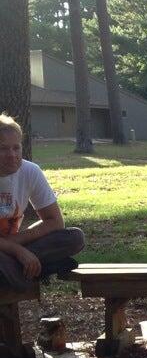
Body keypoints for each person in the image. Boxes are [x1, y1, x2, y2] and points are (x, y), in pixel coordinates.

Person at [0, 113, 84, 291]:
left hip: (11, 245)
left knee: (74, 237)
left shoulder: (30, 171)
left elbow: (55, 221)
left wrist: (14, 242)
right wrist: (19, 252)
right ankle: (32, 273)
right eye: (3, 148)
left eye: (16, 147)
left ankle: (17, 272)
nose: (12, 155)